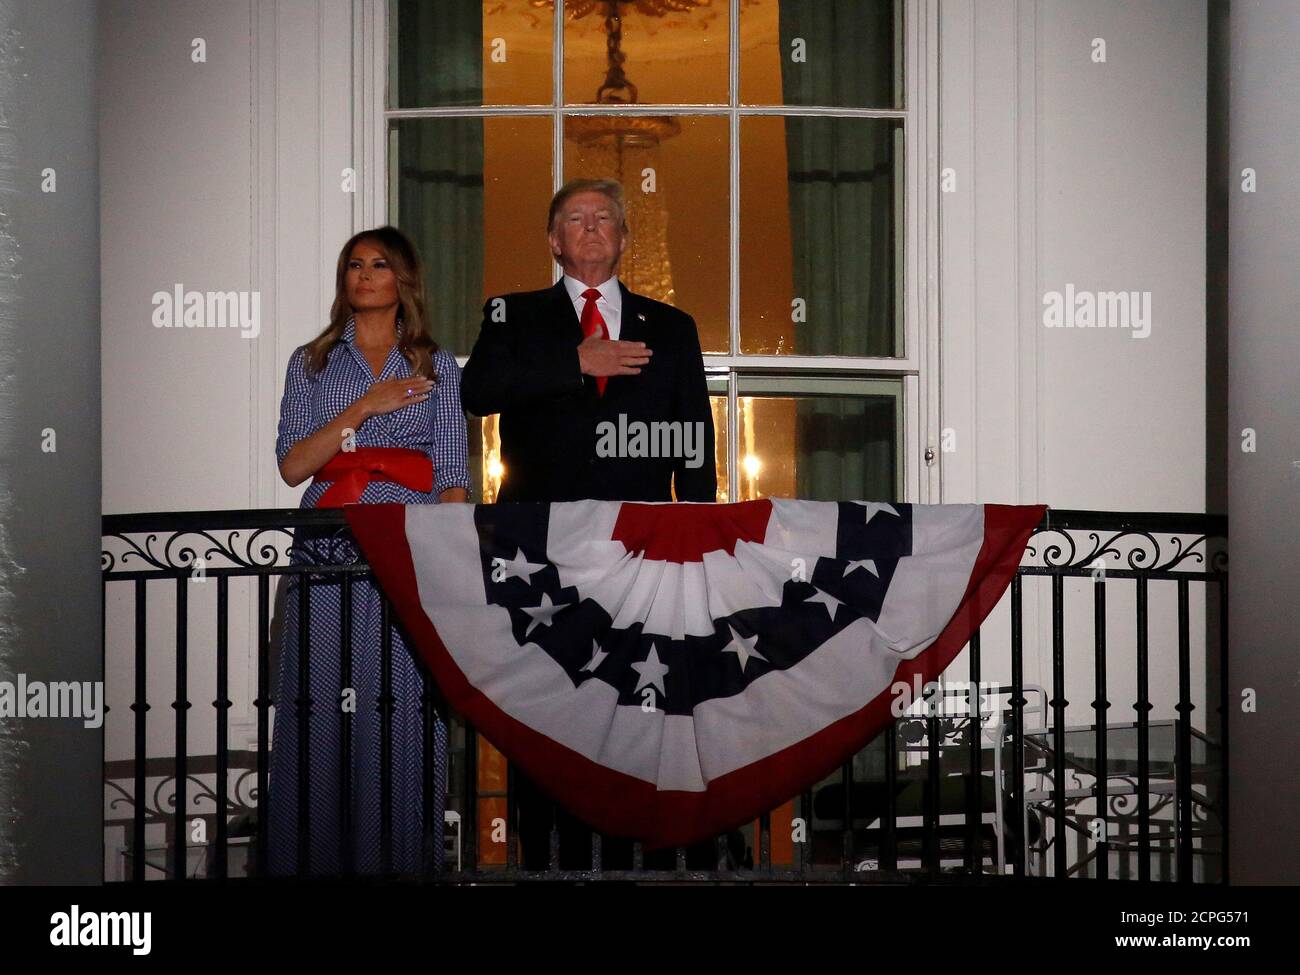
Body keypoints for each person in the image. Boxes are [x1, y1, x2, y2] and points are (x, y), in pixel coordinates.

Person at [461, 178, 722, 871]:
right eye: (574, 219)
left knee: (638, 699)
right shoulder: (510, 316)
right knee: (549, 703)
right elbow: (476, 391)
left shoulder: (672, 328)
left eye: (604, 218)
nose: (590, 227)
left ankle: (648, 857)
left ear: (625, 240)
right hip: (540, 554)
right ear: (552, 241)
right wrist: (576, 361)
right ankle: (547, 859)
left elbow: (693, 444)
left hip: (640, 555)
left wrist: (697, 539)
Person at [268, 225, 470, 877]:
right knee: (321, 699)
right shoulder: (311, 362)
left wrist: (452, 565)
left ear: (402, 279)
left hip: (407, 548)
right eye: (353, 264)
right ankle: (315, 862)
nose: (363, 274)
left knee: (404, 699)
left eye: (379, 264)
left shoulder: (439, 367)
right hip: (328, 548)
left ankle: (400, 862)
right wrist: (367, 404)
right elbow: (295, 465)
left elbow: (451, 473)